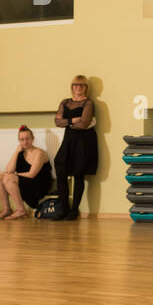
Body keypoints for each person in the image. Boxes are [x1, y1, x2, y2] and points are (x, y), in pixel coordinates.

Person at [53, 75, 97, 220]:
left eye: (82, 85)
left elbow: (84, 123)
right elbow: (57, 121)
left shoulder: (88, 103)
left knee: (79, 174)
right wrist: (73, 120)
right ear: (71, 87)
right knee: (61, 170)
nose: (78, 87)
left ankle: (74, 211)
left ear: (86, 88)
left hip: (84, 141)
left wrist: (68, 123)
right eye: (75, 85)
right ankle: (63, 208)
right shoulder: (65, 102)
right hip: (69, 140)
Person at [0, 126, 54, 219]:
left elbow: (32, 174)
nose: (25, 142)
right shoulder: (20, 153)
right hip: (26, 183)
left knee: (8, 178)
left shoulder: (39, 153)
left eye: (27, 139)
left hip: (39, 184)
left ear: (32, 139)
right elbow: (9, 170)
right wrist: (16, 152)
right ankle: (7, 209)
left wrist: (13, 175)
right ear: (19, 141)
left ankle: (21, 210)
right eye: (22, 139)